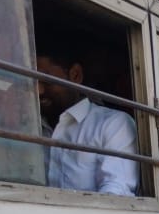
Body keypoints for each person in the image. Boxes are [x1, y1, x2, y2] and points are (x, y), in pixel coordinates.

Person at [36, 41, 138, 196]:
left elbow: (116, 193)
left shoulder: (113, 124)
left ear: (75, 75)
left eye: (45, 81)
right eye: (32, 80)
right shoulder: (29, 125)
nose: (38, 90)